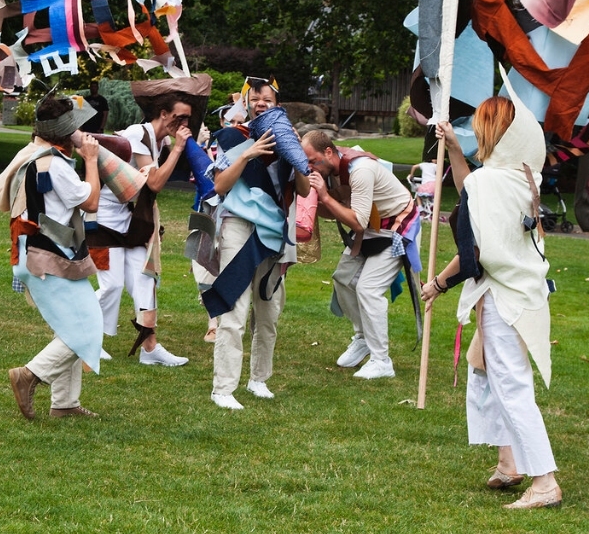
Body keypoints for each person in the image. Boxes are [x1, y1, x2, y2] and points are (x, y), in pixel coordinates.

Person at [422, 92, 561, 510]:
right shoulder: (521, 176)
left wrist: (439, 284)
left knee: (512, 387)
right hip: (522, 294)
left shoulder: (492, 182)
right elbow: (474, 194)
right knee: (484, 371)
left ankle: (545, 482)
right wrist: (453, 151)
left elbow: (474, 251)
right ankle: (509, 462)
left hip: (504, 297)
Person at [0, 94, 103, 420]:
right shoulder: (54, 164)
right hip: (48, 254)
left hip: (33, 252)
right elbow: (91, 202)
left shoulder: (32, 153)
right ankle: (30, 374)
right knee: (88, 326)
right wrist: (93, 160)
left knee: (68, 323)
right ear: (64, 131)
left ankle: (65, 403)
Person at [206, 79, 310, 409]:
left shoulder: (286, 140)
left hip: (274, 232)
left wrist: (297, 154)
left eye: (268, 99)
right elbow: (221, 186)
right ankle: (223, 388)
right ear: (247, 103)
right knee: (234, 310)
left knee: (268, 312)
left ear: (277, 104)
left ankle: (259, 379)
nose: (262, 103)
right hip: (239, 226)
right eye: (256, 98)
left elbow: (305, 190)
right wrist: (248, 154)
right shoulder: (233, 137)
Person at [300, 129, 421, 379]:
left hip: (397, 226)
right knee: (342, 278)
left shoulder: (360, 170)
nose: (310, 167)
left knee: (368, 288)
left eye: (312, 161)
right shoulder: (330, 171)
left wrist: (324, 196)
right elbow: (332, 212)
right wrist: (314, 200)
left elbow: (357, 222)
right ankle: (363, 337)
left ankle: (382, 360)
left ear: (329, 152)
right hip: (373, 227)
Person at [94, 93, 192, 366]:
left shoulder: (162, 141)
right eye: (179, 117)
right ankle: (83, 336)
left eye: (188, 118)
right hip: (105, 216)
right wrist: (178, 149)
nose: (184, 123)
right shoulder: (137, 134)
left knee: (145, 281)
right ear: (163, 113)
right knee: (111, 285)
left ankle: (150, 348)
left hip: (133, 219)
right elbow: (155, 183)